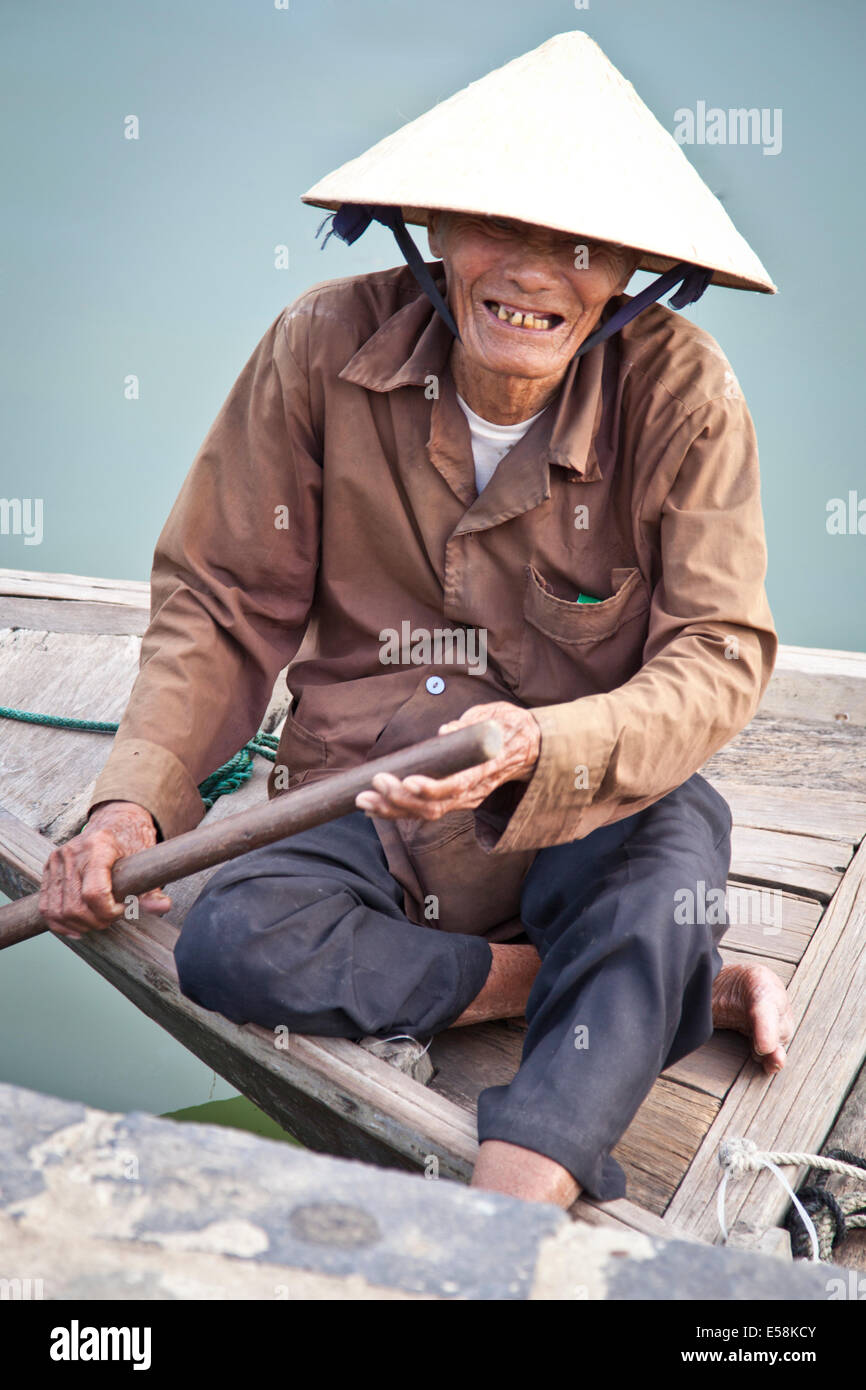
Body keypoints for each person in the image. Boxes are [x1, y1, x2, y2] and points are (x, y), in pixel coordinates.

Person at [38, 32, 793, 1209]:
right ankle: (598, 984)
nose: (534, 272)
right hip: (366, 791)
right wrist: (130, 800)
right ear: (435, 229)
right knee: (228, 941)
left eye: (578, 244)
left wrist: (543, 746)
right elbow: (221, 599)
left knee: (668, 871)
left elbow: (717, 653)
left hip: (578, 799)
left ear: (627, 272)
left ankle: (501, 1228)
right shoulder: (317, 346)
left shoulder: (682, 397)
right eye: (499, 228)